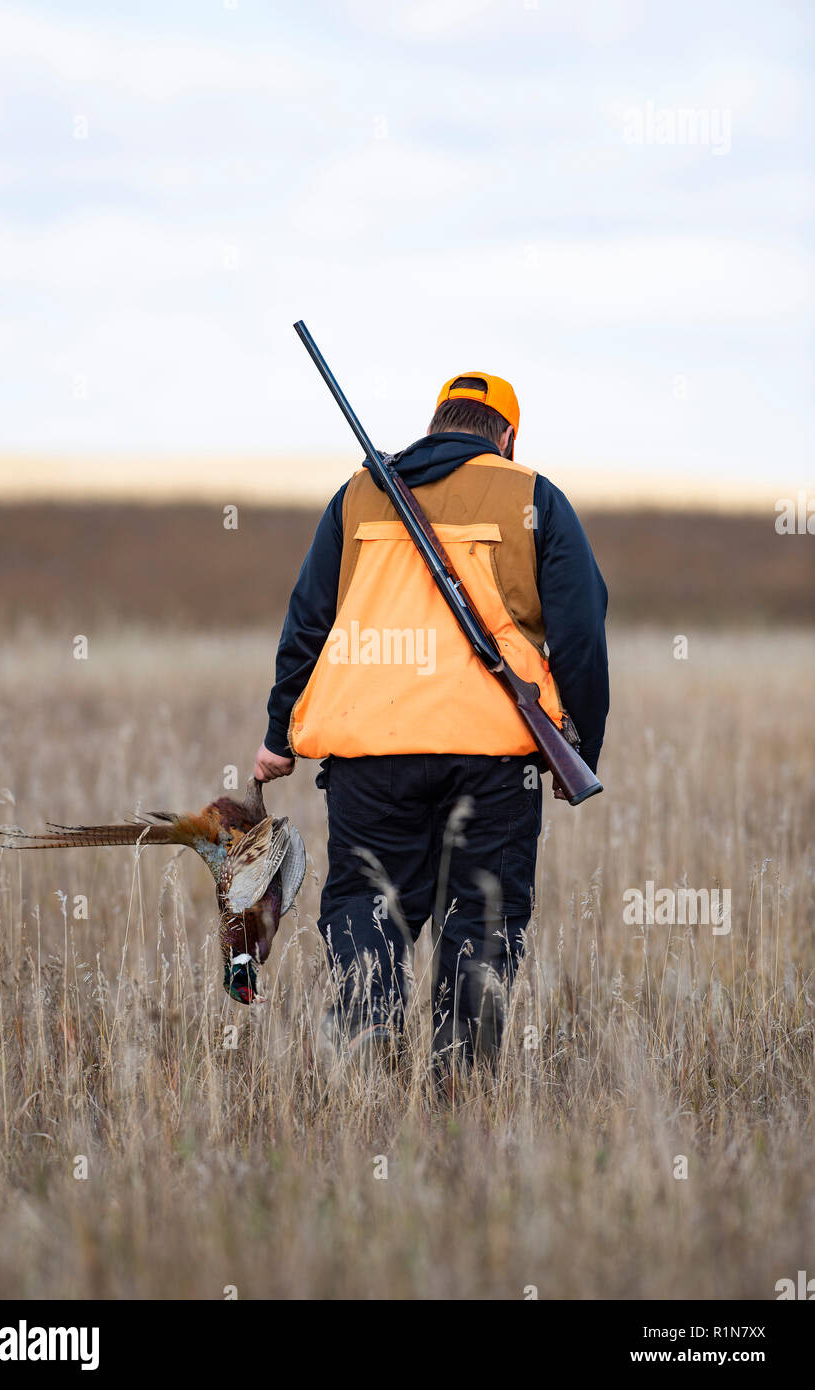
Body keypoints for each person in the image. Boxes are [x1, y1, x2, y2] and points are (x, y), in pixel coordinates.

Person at [253, 372, 609, 1071]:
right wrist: (578, 750)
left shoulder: (360, 494)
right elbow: (580, 634)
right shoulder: (533, 495)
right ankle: (462, 1084)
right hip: (495, 758)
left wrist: (277, 737)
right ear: (505, 436)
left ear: (436, 423)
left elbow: (307, 624)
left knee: (363, 903)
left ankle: (365, 1039)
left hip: (369, 754)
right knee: (482, 919)